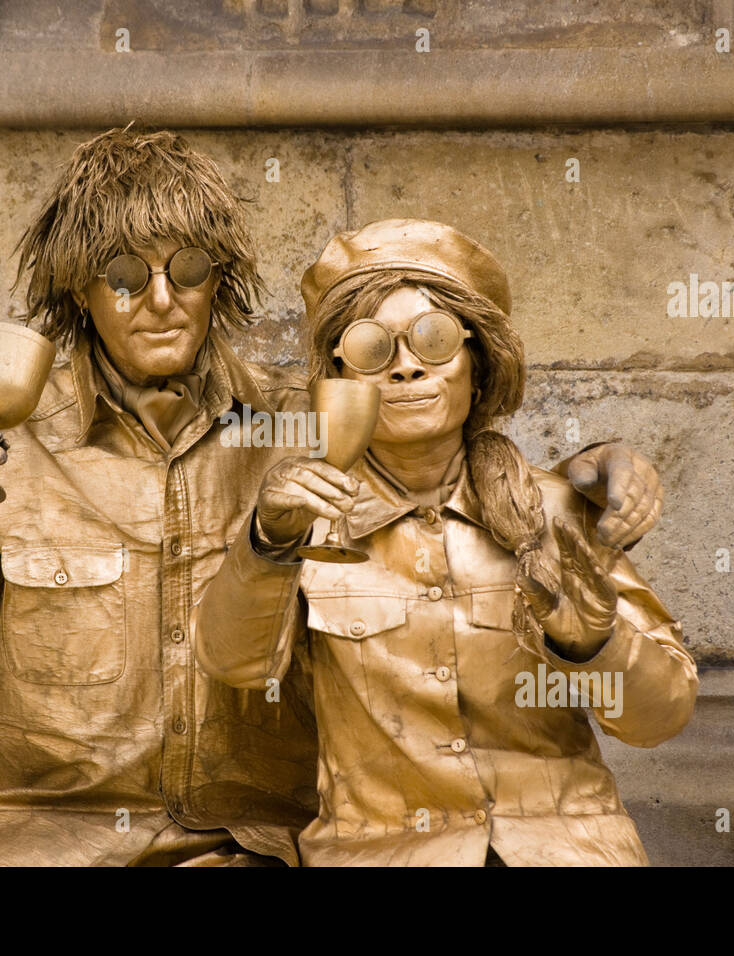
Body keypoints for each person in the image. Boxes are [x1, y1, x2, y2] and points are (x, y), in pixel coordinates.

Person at [0, 130, 667, 866]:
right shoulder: (10, 445)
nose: (160, 299)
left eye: (186, 271)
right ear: (77, 290)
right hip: (32, 838)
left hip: (245, 844)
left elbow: (445, 445)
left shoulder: (309, 425)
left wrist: (588, 475)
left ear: (219, 281)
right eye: (123, 275)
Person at [195, 219, 698, 866]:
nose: (406, 367)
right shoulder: (309, 521)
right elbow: (232, 666)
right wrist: (267, 542)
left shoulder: (554, 512)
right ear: (339, 381)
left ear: (478, 363)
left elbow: (660, 719)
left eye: (432, 340)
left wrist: (596, 643)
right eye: (372, 347)